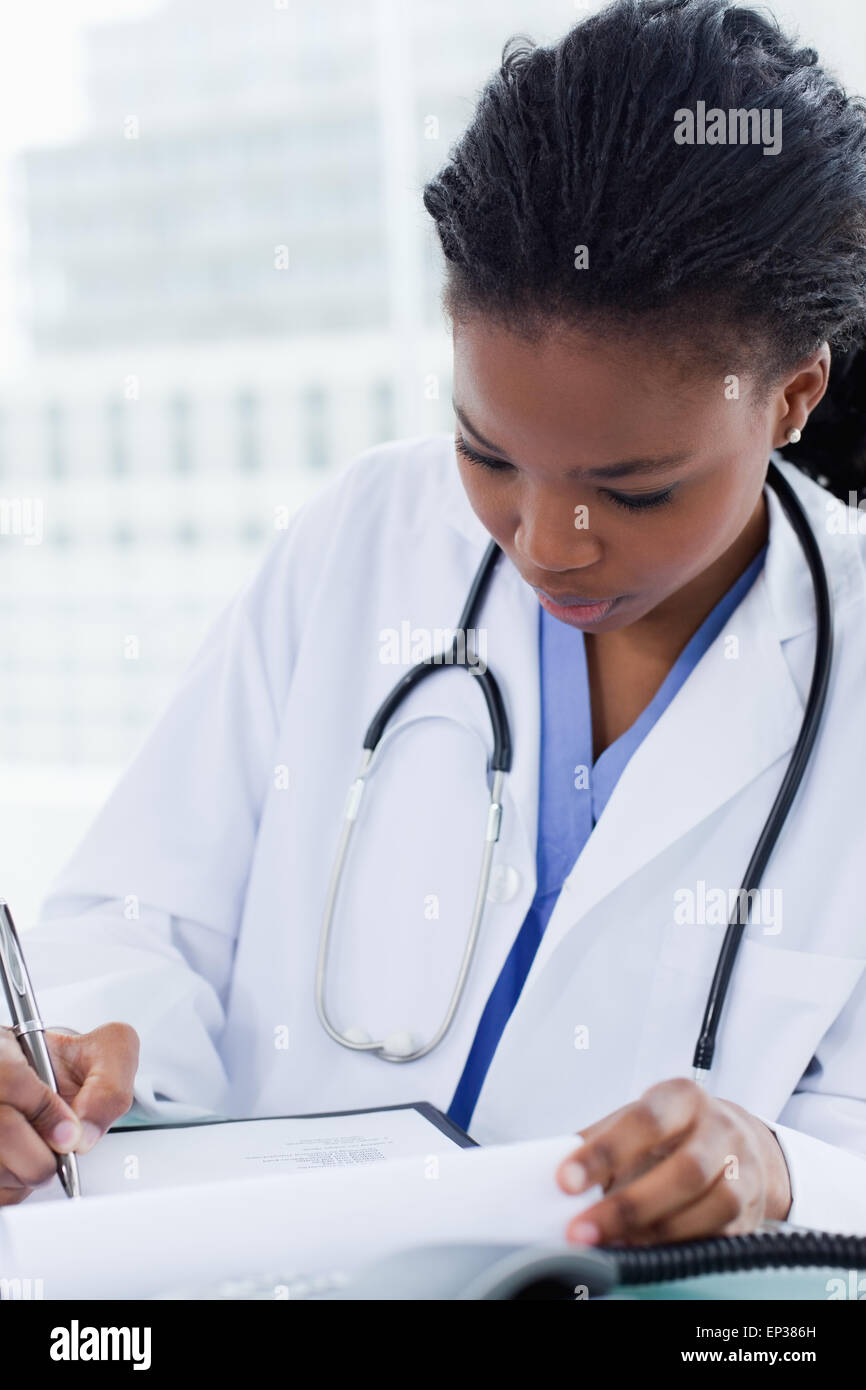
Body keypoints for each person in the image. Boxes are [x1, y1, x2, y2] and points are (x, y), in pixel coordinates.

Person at [2, 0, 866, 1248]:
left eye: (631, 490)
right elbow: (144, 920)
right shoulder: (362, 538)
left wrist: (776, 1167)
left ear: (788, 397)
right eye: (487, 453)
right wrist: (88, 1048)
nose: (546, 541)